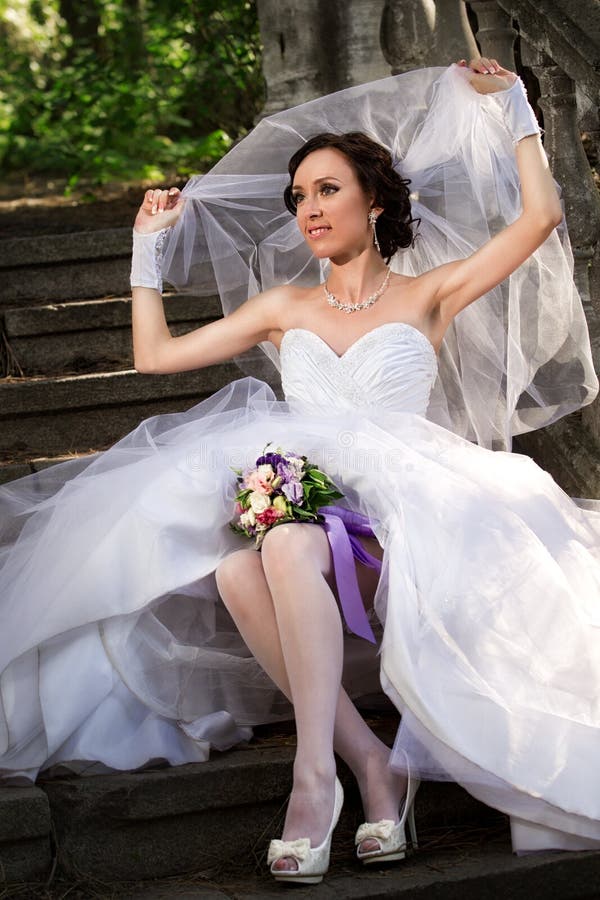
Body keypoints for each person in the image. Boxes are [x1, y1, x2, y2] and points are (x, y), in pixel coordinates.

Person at [1, 58, 599, 885]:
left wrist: (518, 112)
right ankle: (366, 763)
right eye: (298, 197)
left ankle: (314, 784)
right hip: (307, 515)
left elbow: (540, 217)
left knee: (277, 549)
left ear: (376, 200)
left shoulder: (428, 295)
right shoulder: (285, 310)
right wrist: (147, 251)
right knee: (240, 566)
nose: (308, 210)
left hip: (402, 517)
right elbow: (154, 356)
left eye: (326, 190)